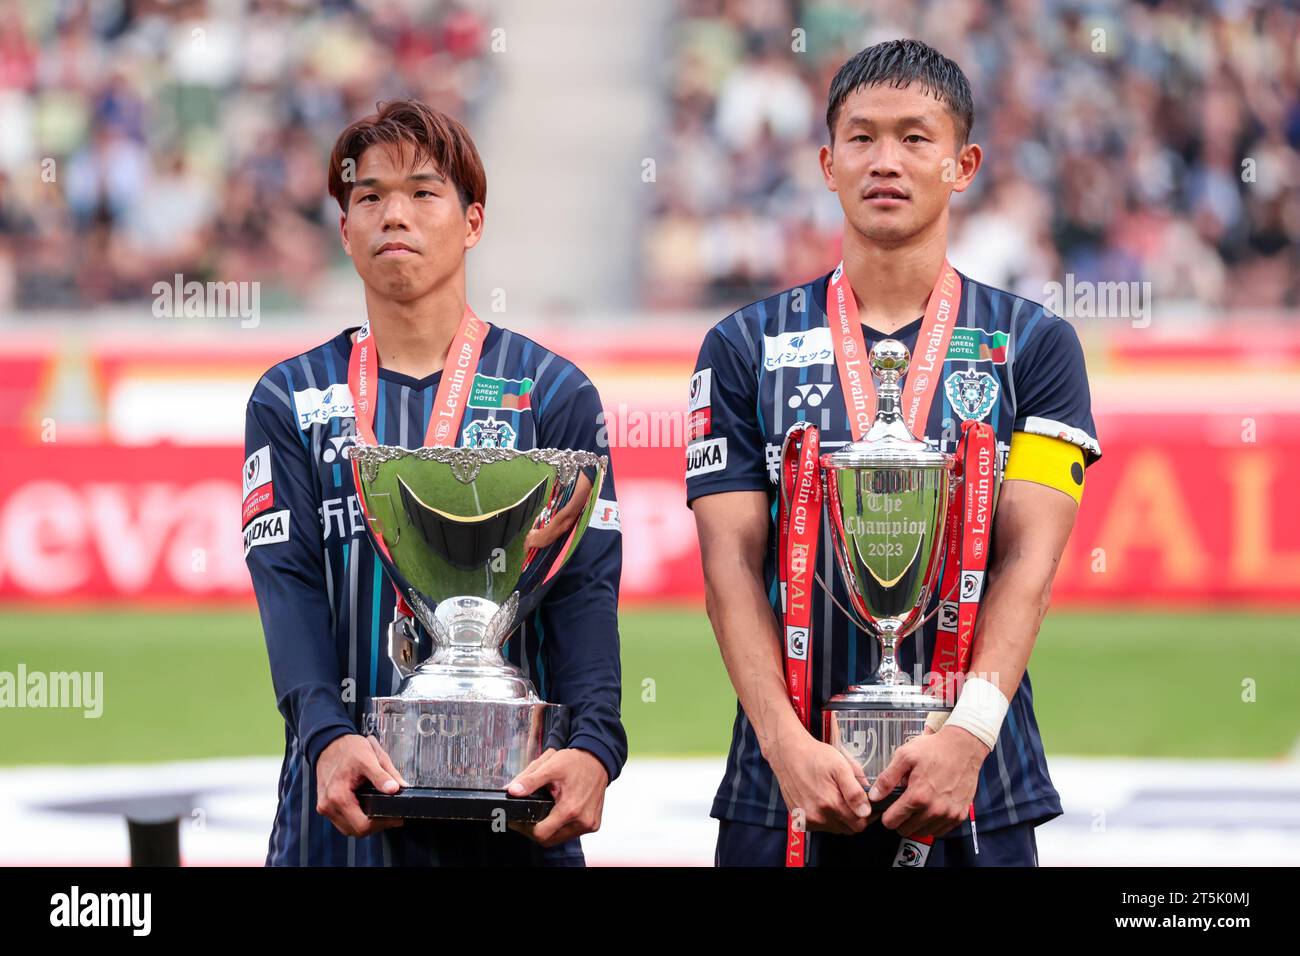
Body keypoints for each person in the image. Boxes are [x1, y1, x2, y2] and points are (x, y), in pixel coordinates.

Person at [686, 39, 1101, 867]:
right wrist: (784, 745)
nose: (886, 161)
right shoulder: (742, 345)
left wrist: (968, 737)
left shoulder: (1035, 345)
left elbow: (1031, 561)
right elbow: (729, 565)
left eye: (916, 138)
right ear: (827, 163)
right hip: (787, 785)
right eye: (862, 138)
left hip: (977, 779)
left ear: (963, 163)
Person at [243, 99, 625, 866]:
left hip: (518, 808)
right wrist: (326, 737)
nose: (395, 214)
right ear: (345, 228)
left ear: (472, 222)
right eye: (369, 196)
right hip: (341, 802)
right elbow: (287, 588)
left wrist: (595, 745)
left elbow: (584, 588)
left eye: (423, 193)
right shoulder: (290, 398)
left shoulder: (551, 394)